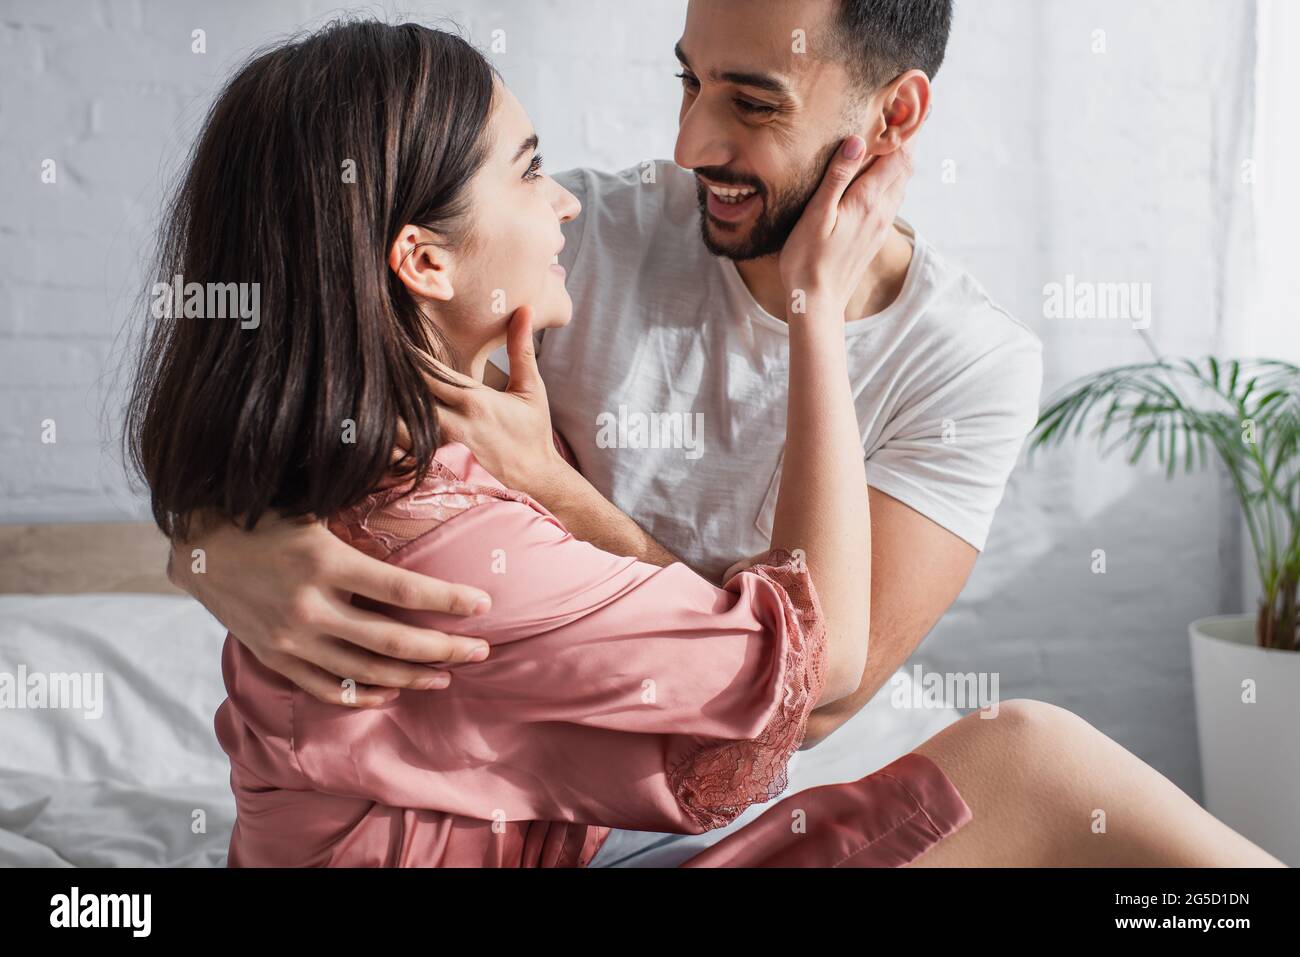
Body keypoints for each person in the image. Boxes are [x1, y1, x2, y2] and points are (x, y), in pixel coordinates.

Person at [143, 14, 1286, 868]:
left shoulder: (970, 360)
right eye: (687, 82)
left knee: (1059, 792)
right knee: (1045, 760)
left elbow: (820, 696)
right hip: (608, 815)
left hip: (798, 775)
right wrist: (213, 540)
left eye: (752, 102)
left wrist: (559, 483)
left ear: (891, 118)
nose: (690, 142)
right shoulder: (566, 253)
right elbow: (326, 326)